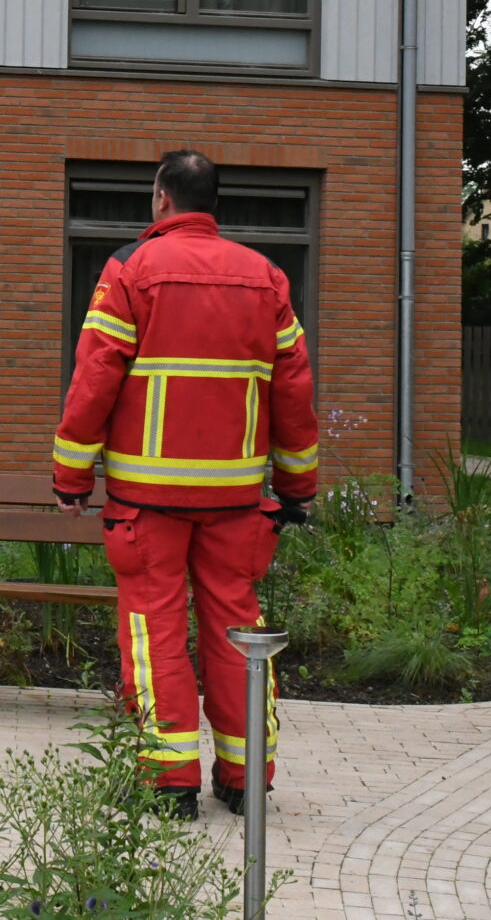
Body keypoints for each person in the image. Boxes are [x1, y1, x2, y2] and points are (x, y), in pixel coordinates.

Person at [51, 150, 319, 820]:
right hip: (236, 498)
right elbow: (294, 390)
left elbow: (95, 378)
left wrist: (71, 474)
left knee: (154, 628)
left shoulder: (131, 270)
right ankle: (245, 775)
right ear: (213, 203)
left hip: (147, 497)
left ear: (161, 199)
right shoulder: (266, 278)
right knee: (237, 627)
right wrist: (297, 484)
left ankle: (169, 780)